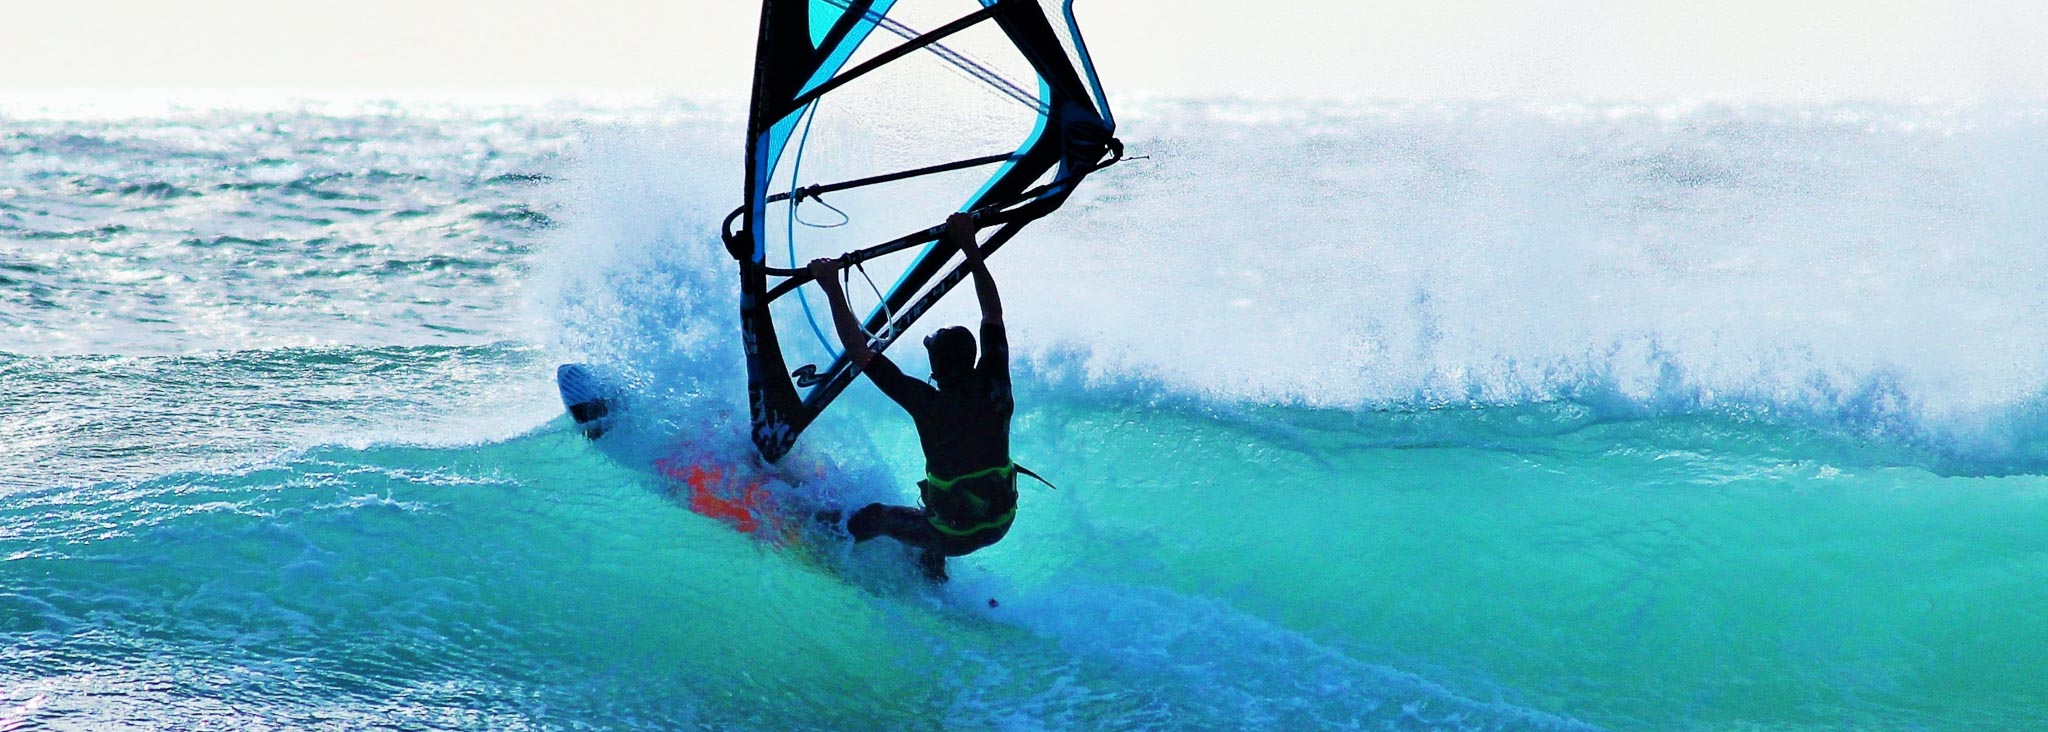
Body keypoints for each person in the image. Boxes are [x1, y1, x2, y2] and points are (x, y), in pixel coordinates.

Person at [808, 212, 1018, 582]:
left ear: (935, 368)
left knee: (878, 516)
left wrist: (831, 287)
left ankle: (820, 544)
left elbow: (859, 352)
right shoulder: (995, 381)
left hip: (954, 535)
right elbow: (993, 311)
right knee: (946, 508)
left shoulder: (927, 403)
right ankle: (932, 576)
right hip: (1001, 521)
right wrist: (969, 245)